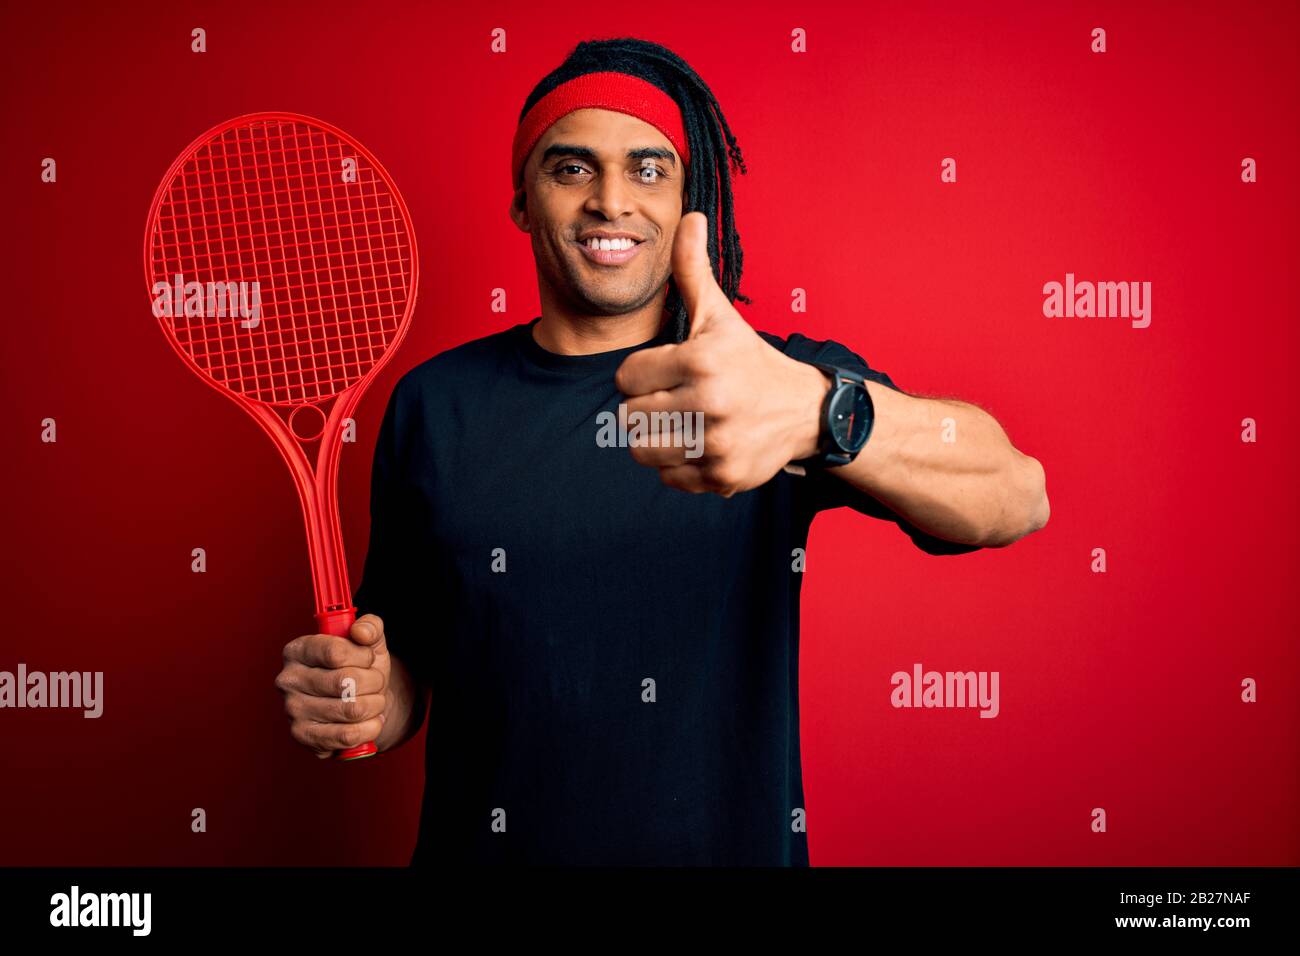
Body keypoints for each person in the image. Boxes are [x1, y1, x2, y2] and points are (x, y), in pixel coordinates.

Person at [275, 37, 1049, 865]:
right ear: (522, 201)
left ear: (689, 202)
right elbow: (409, 675)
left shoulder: (762, 385)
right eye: (571, 169)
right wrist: (361, 702)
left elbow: (1015, 495)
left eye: (648, 170)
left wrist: (820, 413)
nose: (612, 201)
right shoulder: (435, 405)